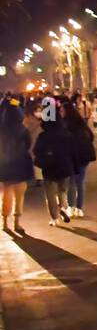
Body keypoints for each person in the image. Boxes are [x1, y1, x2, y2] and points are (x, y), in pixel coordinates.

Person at [32, 108, 75, 225]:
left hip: (49, 167)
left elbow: (36, 150)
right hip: (65, 166)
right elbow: (73, 150)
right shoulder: (67, 134)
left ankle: (54, 218)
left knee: (50, 194)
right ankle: (63, 207)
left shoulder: (43, 136)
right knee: (63, 190)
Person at [1, 96, 35, 231]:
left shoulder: (1, 130)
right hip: (21, 164)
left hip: (5, 165)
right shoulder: (22, 129)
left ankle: (4, 221)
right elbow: (28, 144)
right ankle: (17, 222)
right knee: (20, 194)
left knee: (6, 194)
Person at [62, 101, 96, 219]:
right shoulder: (81, 124)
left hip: (72, 157)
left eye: (62, 110)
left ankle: (71, 207)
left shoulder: (65, 125)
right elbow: (91, 136)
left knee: (72, 182)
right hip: (83, 157)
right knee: (79, 182)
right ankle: (79, 208)